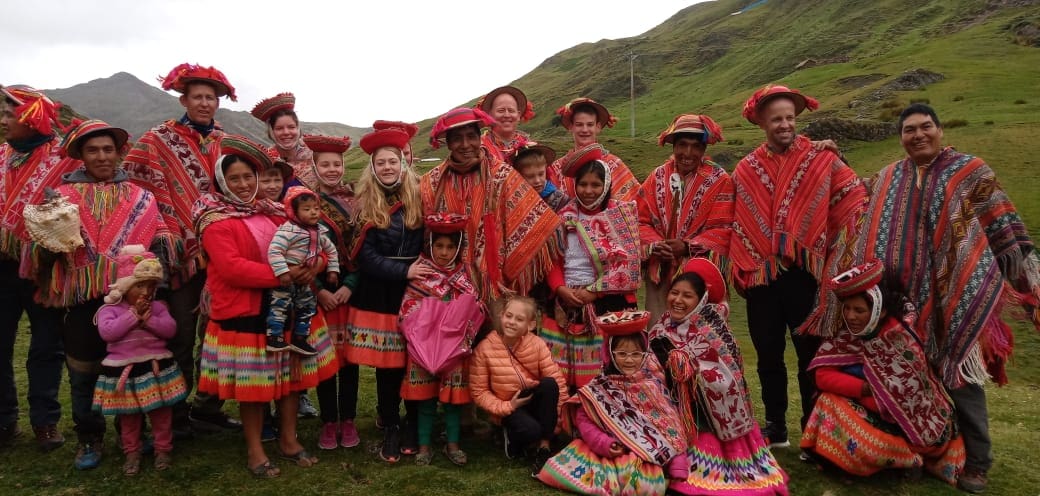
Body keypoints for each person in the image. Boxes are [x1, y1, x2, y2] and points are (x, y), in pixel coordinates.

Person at [844, 103, 1040, 493]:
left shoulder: (970, 171)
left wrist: (1025, 285)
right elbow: (853, 200)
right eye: (909, 130)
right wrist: (829, 156)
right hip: (904, 303)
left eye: (925, 127)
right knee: (913, 382)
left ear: (939, 129)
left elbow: (1004, 228)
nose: (918, 135)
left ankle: (978, 463)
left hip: (958, 296)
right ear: (901, 137)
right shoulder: (889, 177)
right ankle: (923, 454)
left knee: (961, 379)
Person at [24, 120, 173, 468]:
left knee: (132, 369)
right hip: (83, 298)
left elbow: (161, 241)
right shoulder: (62, 198)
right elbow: (40, 252)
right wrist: (49, 241)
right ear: (80, 155)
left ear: (119, 153)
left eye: (108, 149)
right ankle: (89, 437)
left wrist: (151, 283)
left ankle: (130, 434)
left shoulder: (141, 197)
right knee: (83, 371)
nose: (102, 156)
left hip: (131, 298)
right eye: (93, 150)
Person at [729, 84, 867, 448]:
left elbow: (852, 197)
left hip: (806, 275)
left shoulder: (821, 158)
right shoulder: (746, 168)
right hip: (762, 275)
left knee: (811, 353)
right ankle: (776, 425)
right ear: (762, 122)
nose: (785, 125)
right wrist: (746, 259)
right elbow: (741, 220)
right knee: (768, 353)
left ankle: (813, 425)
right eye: (776, 119)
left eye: (790, 118)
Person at [193, 135, 337, 478]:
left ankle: (289, 439)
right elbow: (232, 268)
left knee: (289, 379)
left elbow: (305, 244)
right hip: (245, 313)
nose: (243, 185)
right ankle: (255, 450)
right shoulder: (214, 221)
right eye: (235, 179)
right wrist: (285, 276)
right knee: (253, 387)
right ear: (222, 183)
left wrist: (315, 265)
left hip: (282, 310)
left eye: (248, 177)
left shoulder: (273, 213)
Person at [123, 63, 242, 435]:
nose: (205, 103)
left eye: (211, 97)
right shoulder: (158, 139)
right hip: (178, 254)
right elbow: (137, 183)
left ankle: (208, 406)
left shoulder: (225, 142)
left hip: (222, 252)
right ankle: (173, 414)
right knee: (179, 332)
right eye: (198, 97)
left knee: (219, 332)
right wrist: (168, 230)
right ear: (183, 99)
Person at [800, 260, 965, 484]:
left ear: (880, 310)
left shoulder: (899, 340)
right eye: (847, 309)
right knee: (826, 401)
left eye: (859, 310)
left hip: (911, 429)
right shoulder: (848, 337)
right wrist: (866, 388)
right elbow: (822, 376)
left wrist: (859, 395)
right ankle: (875, 463)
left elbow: (901, 401)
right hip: (876, 412)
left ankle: (904, 460)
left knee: (833, 406)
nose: (850, 316)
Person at [649, 258, 789, 495]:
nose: (678, 300)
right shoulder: (662, 326)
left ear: (701, 300)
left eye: (687, 296)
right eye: (674, 293)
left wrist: (685, 368)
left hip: (706, 416)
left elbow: (726, 379)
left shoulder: (711, 328)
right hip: (671, 407)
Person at [343, 126, 429, 463]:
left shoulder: (420, 196)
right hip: (381, 292)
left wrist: (418, 272)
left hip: (416, 290)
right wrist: (405, 270)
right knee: (388, 364)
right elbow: (366, 256)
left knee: (414, 360)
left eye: (392, 161)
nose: (388, 167)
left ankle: (411, 421)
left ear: (403, 163)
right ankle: (391, 424)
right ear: (373, 168)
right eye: (381, 163)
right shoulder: (366, 203)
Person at [421, 108, 562, 306]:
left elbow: (536, 222)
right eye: (457, 139)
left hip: (496, 281)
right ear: (448, 143)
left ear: (480, 137)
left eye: (471, 136)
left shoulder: (502, 174)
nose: (465, 144)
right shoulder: (432, 182)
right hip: (446, 281)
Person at [537, 316, 690, 495]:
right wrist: (605, 444)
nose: (629, 360)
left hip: (648, 453)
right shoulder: (599, 387)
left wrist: (678, 465)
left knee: (643, 480)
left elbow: (671, 426)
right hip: (614, 449)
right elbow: (584, 421)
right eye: (622, 354)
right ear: (610, 353)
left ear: (645, 354)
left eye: (635, 354)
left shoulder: (654, 384)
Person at [0, 85, 75, 451]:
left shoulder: (64, 160)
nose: (3, 120)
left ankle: (46, 421)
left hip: (45, 268)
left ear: (32, 120)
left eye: (9, 115)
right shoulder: (0, 156)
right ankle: (4, 421)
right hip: (1, 270)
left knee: (46, 346)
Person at [542, 143, 640, 392]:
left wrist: (594, 292)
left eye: (595, 185)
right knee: (563, 368)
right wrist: (561, 289)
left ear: (606, 185)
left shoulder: (620, 216)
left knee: (606, 369)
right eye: (583, 184)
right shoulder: (564, 217)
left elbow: (627, 263)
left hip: (607, 303)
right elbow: (553, 258)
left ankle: (603, 420)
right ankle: (568, 421)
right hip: (567, 301)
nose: (588, 191)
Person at [93, 246, 187, 476]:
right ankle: (132, 451)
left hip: (155, 367)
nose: (146, 291)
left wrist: (149, 322)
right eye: (140, 285)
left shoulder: (158, 308)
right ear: (125, 286)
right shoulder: (110, 309)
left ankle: (162, 449)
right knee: (129, 416)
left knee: (161, 414)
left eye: (151, 286)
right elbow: (108, 333)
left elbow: (170, 329)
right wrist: (133, 316)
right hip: (126, 370)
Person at [399, 213, 484, 466]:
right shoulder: (421, 274)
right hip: (423, 347)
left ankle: (453, 444)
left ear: (458, 248)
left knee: (452, 400)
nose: (444, 252)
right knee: (425, 398)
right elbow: (407, 307)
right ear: (430, 246)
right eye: (439, 246)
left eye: (450, 247)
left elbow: (475, 307)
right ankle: (424, 446)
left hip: (454, 348)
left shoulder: (466, 275)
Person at [638, 113, 733, 324]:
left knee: (701, 338)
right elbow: (640, 220)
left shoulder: (720, 181)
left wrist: (687, 246)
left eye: (696, 146)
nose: (688, 153)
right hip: (661, 274)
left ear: (704, 149)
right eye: (682, 145)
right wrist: (656, 244)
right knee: (658, 336)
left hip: (701, 276)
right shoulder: (657, 177)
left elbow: (724, 229)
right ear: (673, 145)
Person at [301, 134, 361, 449]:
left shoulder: (355, 200)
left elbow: (362, 250)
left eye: (336, 163)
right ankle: (328, 421)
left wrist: (351, 285)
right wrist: (319, 290)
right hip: (320, 297)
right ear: (314, 166)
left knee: (349, 363)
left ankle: (348, 420)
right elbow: (298, 254)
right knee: (325, 362)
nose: (332, 169)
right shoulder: (305, 205)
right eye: (325, 164)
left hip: (349, 295)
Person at [469, 296, 566, 474]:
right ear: (501, 316)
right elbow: (479, 391)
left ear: (530, 325)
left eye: (519, 319)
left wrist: (558, 418)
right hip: (510, 406)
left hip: (533, 398)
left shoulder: (537, 344)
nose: (512, 322)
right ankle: (512, 438)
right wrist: (507, 406)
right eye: (509, 316)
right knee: (532, 431)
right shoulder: (484, 349)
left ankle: (544, 447)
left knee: (549, 383)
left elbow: (557, 380)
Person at [266, 186, 340, 354]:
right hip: (287, 277)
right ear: (294, 212)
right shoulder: (288, 231)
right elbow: (275, 250)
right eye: (307, 209)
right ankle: (274, 337)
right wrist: (283, 272)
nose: (313, 213)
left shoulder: (319, 232)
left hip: (306, 279)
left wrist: (332, 270)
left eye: (316, 208)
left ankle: (300, 338)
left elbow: (331, 250)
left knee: (307, 307)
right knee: (279, 305)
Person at [551, 97, 640, 203]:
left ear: (598, 127)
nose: (585, 130)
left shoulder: (614, 165)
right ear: (571, 127)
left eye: (590, 124)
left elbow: (633, 205)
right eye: (579, 124)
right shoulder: (557, 168)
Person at [251, 92, 319, 190]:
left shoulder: (314, 155)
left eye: (291, 127)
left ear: (298, 129)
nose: (286, 132)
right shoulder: (266, 160)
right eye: (279, 128)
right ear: (271, 132)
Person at [475, 85, 535, 159]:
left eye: (511, 110)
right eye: (501, 111)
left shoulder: (530, 145)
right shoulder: (479, 148)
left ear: (518, 115)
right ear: (489, 115)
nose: (507, 115)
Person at [507, 142, 568, 212]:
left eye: (541, 174)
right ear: (518, 175)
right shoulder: (514, 200)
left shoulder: (559, 199)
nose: (537, 181)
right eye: (530, 176)